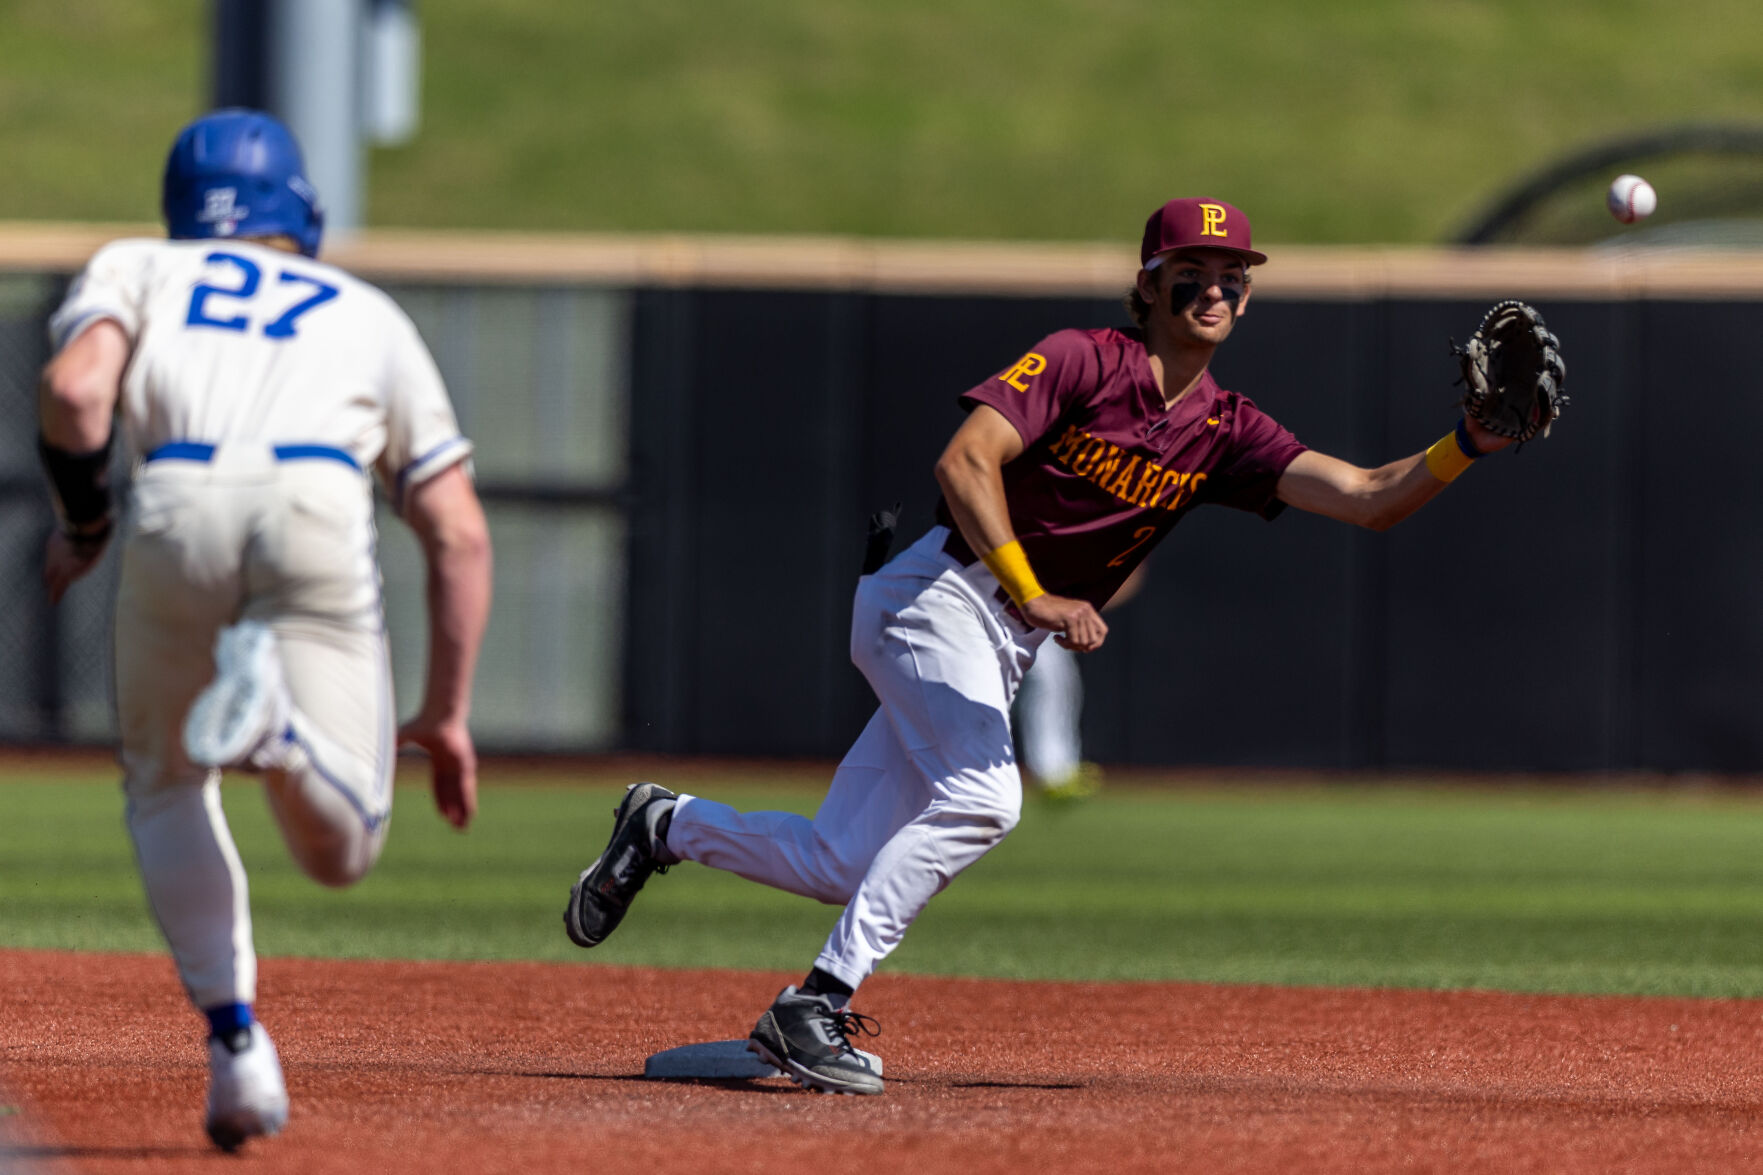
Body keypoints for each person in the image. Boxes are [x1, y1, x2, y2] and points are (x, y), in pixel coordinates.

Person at [563, 197, 1518, 1095]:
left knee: (839, 864)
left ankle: (665, 824)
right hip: (935, 595)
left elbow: (1366, 496)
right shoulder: (1081, 359)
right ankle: (813, 1004)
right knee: (985, 796)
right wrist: (1035, 592)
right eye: (1194, 270)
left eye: (1235, 274)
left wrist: (1466, 442)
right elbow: (963, 459)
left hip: (995, 637)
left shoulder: (1224, 429)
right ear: (1147, 284)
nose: (1217, 288)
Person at [36, 109, 492, 1150]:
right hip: (317, 502)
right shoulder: (366, 310)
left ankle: (237, 1043)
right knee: (341, 851)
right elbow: (458, 533)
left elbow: (75, 391)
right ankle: (280, 737)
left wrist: (85, 520)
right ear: (301, 207)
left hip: (176, 499)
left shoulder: (139, 267)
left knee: (162, 780)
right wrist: (450, 712)